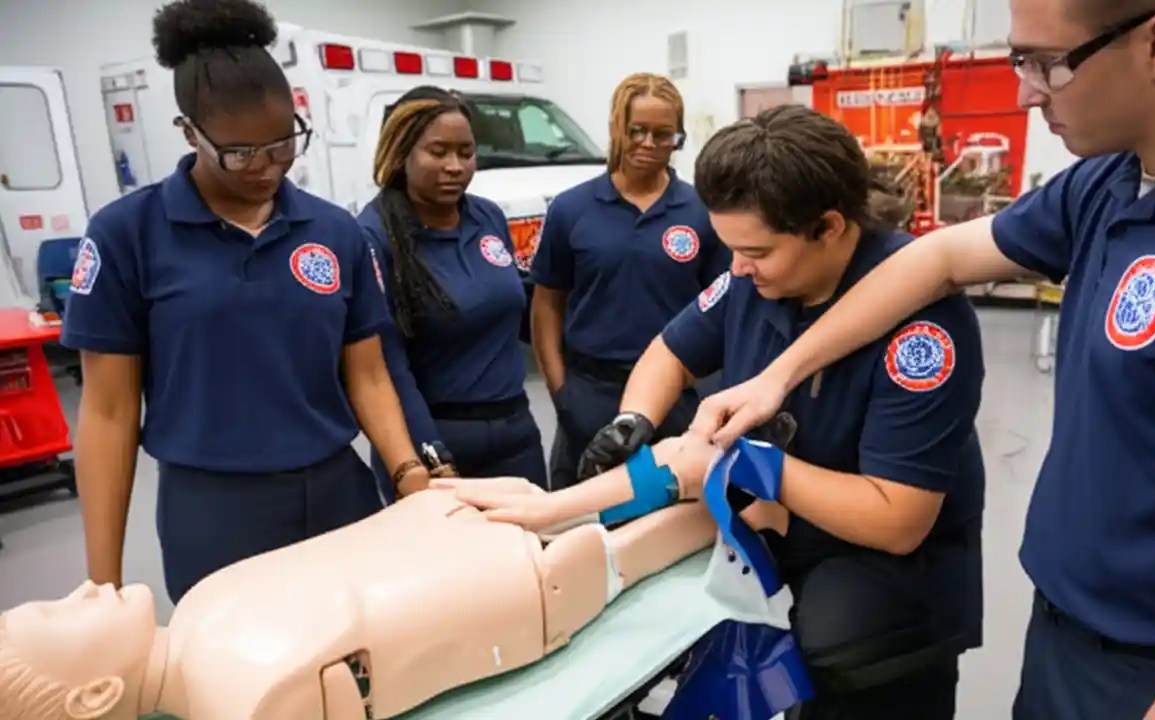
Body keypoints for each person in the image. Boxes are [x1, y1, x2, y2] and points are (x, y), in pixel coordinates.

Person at [691, 2, 1155, 718]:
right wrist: (776, 377)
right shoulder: (1113, 179)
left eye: (1047, 63)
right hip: (1067, 628)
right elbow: (940, 259)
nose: (1027, 93)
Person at [537, 104, 987, 718]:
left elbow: (898, 518)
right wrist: (635, 419)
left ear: (828, 226)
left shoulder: (924, 329)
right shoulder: (754, 279)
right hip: (787, 564)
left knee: (847, 656)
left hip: (888, 606)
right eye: (731, 250)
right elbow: (670, 351)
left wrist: (760, 466)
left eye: (756, 251)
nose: (739, 268)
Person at [59, 0, 433, 605]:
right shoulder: (129, 233)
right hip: (214, 509)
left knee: (367, 666)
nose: (266, 167)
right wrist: (102, 581)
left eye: (284, 143)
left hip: (339, 490)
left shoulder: (333, 231)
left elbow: (366, 374)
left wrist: (407, 473)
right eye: (239, 152)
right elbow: (107, 413)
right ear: (189, 133)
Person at [0, 436, 725, 720]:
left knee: (609, 498)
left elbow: (344, 553)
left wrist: (434, 508)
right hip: (505, 592)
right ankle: (736, 502)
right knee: (639, 540)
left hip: (444, 537)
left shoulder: (196, 610)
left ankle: (713, 478)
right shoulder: (246, 698)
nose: (81, 588)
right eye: (62, 615)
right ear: (94, 696)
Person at [529, 72, 731, 490]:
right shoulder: (572, 209)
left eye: (663, 135)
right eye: (637, 131)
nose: (648, 145)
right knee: (580, 521)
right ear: (616, 127)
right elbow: (547, 304)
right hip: (589, 393)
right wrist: (561, 392)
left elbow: (723, 306)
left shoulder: (701, 211)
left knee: (667, 524)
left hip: (676, 399)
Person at [358, 86, 547, 489]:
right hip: (435, 440)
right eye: (438, 151)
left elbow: (521, 305)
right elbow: (387, 366)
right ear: (402, 153)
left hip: (516, 433)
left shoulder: (488, 216)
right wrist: (427, 452)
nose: (455, 166)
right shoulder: (374, 236)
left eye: (466, 151)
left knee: (537, 548)